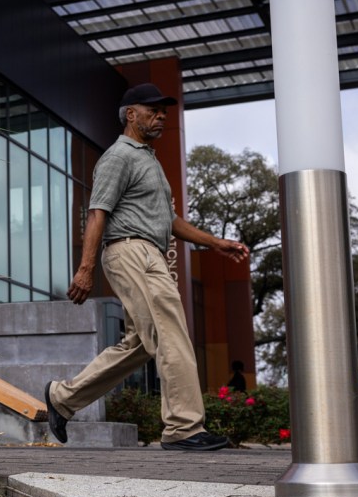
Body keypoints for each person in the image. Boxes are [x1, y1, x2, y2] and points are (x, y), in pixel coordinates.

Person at [44, 82, 250, 451]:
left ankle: (63, 398)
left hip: (152, 251)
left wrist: (216, 243)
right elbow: (97, 212)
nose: (162, 116)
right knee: (169, 329)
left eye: (164, 112)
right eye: (153, 110)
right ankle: (183, 428)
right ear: (131, 114)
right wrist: (85, 268)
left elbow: (171, 220)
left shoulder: (148, 160)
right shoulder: (119, 156)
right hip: (129, 250)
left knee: (142, 343)